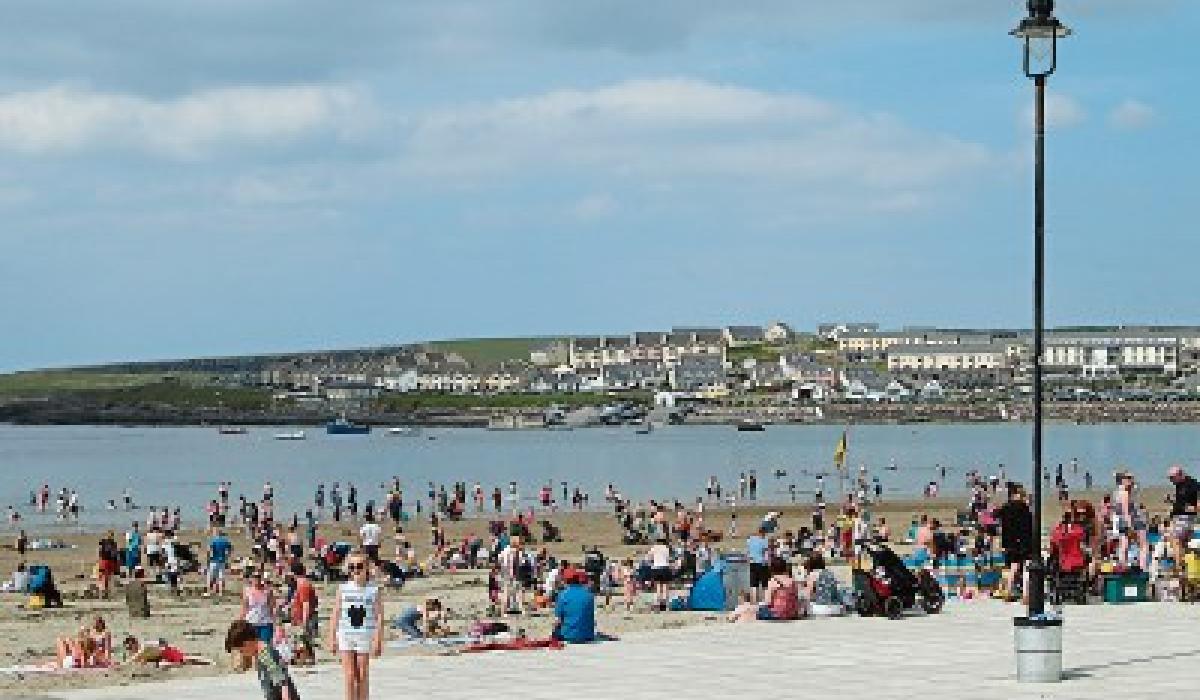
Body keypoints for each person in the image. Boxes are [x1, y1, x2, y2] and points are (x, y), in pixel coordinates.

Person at [329, 553, 382, 700]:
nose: (355, 570)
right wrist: (332, 637)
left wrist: (378, 640)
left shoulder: (374, 590)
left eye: (359, 566)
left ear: (366, 568)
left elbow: (379, 616)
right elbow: (336, 612)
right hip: (345, 635)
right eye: (352, 567)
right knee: (350, 676)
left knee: (362, 675)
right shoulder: (343, 588)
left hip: (365, 635)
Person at [226, 619, 299, 700]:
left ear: (247, 643)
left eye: (241, 650)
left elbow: (282, 681)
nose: (242, 653)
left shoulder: (266, 654)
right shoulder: (261, 653)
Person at [553, 571, 596, 643]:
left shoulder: (563, 595)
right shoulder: (590, 595)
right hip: (588, 635)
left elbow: (558, 620)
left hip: (568, 635)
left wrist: (553, 633)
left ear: (566, 581)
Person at [1168, 464, 1199, 565]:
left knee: (1175, 539)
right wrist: (1173, 501)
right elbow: (1182, 501)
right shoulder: (1179, 485)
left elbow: (1197, 503)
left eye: (1172, 478)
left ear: (1180, 474)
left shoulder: (1193, 484)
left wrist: (1193, 508)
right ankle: (1186, 568)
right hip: (1181, 517)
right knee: (1183, 543)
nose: (1170, 481)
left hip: (1185, 517)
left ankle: (1179, 567)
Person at [241, 569, 278, 643]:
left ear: (261, 578)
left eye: (258, 577)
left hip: (265, 622)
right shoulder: (247, 591)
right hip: (251, 622)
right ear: (251, 578)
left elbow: (272, 606)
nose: (256, 579)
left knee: (265, 646)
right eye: (254, 577)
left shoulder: (267, 590)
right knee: (252, 646)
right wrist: (241, 621)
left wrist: (275, 622)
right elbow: (245, 607)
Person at [647, 538, 673, 610]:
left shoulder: (653, 548)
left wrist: (653, 562)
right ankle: (664, 604)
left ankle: (658, 602)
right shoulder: (666, 548)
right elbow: (668, 559)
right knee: (665, 586)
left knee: (658, 586)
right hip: (664, 568)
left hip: (656, 568)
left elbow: (649, 558)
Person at [746, 527, 770, 603]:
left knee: (753, 584)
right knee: (764, 584)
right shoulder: (764, 540)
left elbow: (748, 551)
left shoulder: (750, 539)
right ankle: (764, 601)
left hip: (752, 563)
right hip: (762, 563)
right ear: (764, 533)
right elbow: (765, 552)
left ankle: (754, 601)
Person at [208, 529, 233, 596]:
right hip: (222, 561)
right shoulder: (225, 541)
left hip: (214, 561)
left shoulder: (213, 541)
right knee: (221, 577)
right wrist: (227, 557)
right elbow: (229, 550)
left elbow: (210, 551)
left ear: (216, 534)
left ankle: (210, 591)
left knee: (212, 576)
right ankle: (220, 593)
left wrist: (209, 559)